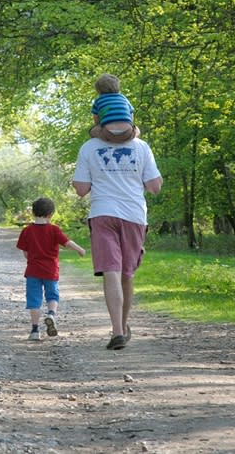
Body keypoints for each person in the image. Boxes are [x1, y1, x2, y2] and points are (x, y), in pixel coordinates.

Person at [72, 132, 162, 349]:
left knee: (111, 271)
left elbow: (81, 189)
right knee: (126, 274)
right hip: (134, 216)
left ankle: (118, 331)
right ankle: (121, 326)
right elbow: (155, 187)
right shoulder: (142, 147)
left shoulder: (89, 147)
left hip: (103, 214)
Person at [16, 197, 87, 341]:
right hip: (51, 271)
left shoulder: (27, 231)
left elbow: (25, 253)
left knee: (34, 300)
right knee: (52, 296)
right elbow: (67, 243)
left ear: (33, 213)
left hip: (33, 272)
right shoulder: (54, 230)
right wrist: (80, 250)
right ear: (51, 214)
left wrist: (33, 259)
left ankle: (35, 331)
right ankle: (51, 315)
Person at [89, 73, 141, 143]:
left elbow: (96, 118)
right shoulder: (123, 98)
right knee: (137, 129)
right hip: (127, 133)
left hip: (108, 134)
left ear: (98, 90)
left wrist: (99, 126)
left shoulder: (99, 100)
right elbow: (131, 113)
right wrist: (130, 125)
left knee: (92, 131)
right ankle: (132, 139)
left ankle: (106, 141)